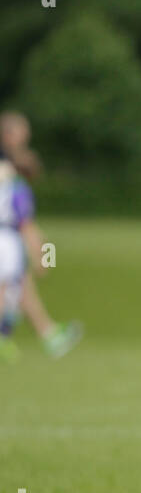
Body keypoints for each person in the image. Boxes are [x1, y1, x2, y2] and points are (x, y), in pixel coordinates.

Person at [0, 111, 82, 360]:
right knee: (6, 289)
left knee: (17, 285)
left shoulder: (11, 177)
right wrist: (41, 255)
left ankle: (44, 333)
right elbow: (26, 225)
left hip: (8, 237)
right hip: (7, 239)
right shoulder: (13, 183)